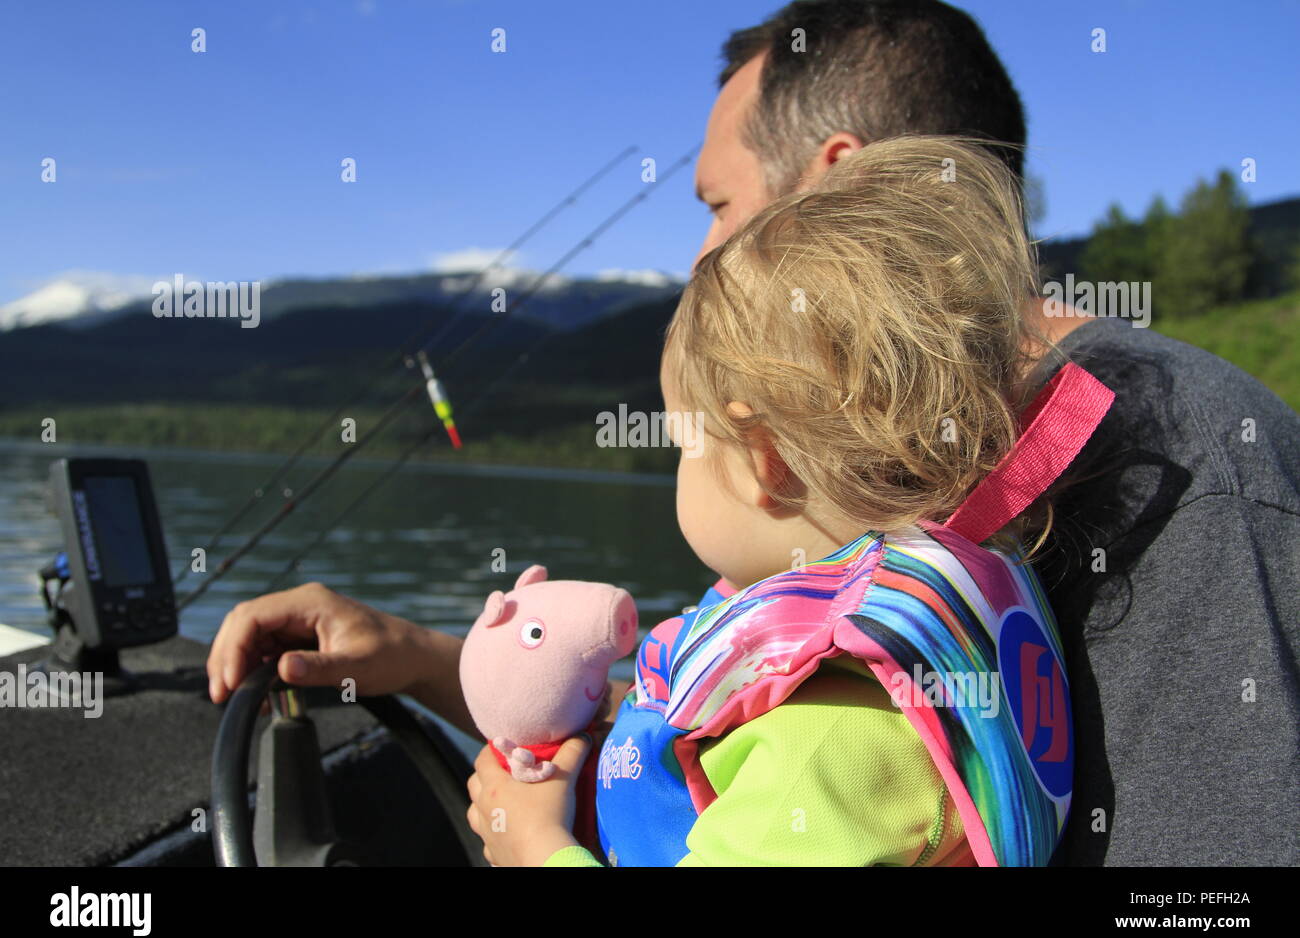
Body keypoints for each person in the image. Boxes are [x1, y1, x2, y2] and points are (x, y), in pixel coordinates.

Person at [208, 0, 1300, 865]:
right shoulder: (890, 497)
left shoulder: (1188, 460)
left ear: (836, 188)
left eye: (717, 209)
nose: (698, 259)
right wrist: (422, 660)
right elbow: (731, 696)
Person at [467, 135, 1110, 866]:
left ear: (765, 465)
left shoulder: (829, 742)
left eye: (684, 443)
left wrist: (536, 848)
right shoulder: (937, 605)